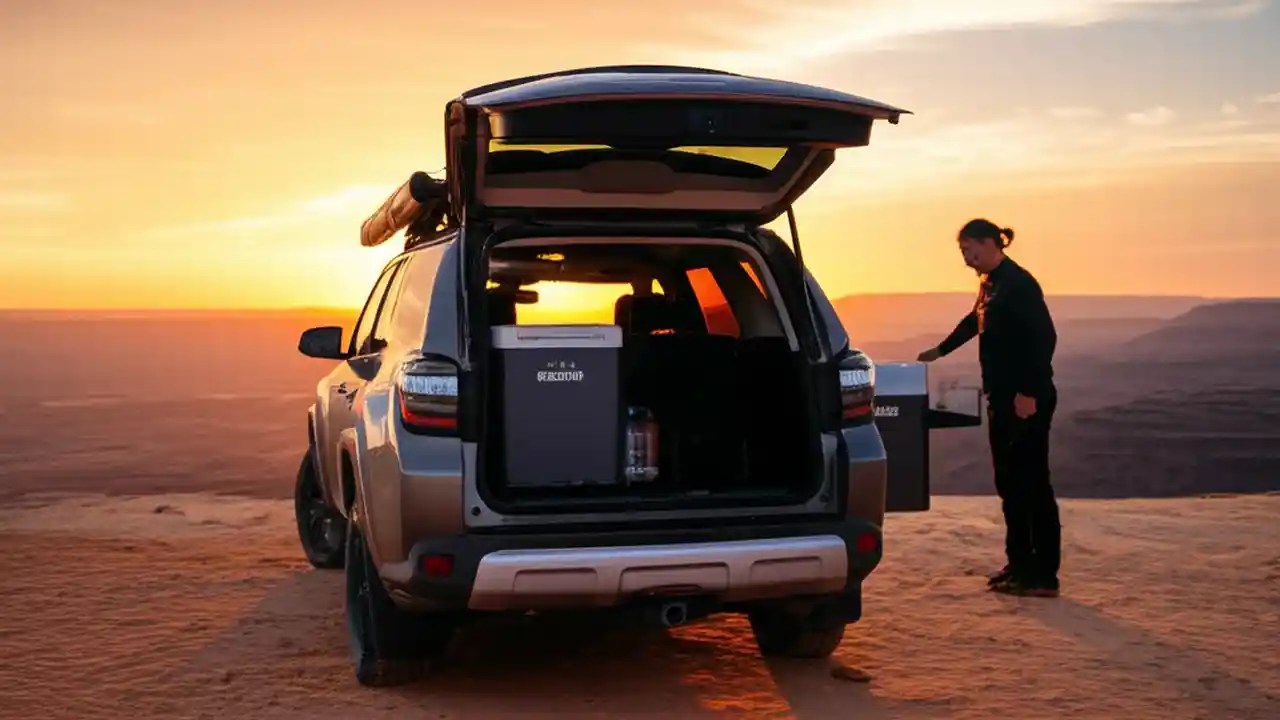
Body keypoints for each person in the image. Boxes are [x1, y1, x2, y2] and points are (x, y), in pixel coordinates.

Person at [917, 219, 1061, 598]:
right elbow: (974, 321)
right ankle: (1018, 565)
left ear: (988, 243)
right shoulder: (990, 285)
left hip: (1025, 399)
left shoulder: (1019, 284)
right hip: (1001, 397)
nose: (966, 258)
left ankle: (1043, 574)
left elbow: (1044, 339)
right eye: (963, 252)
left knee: (1032, 483)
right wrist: (941, 350)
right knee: (1010, 482)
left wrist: (1028, 392)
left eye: (969, 250)